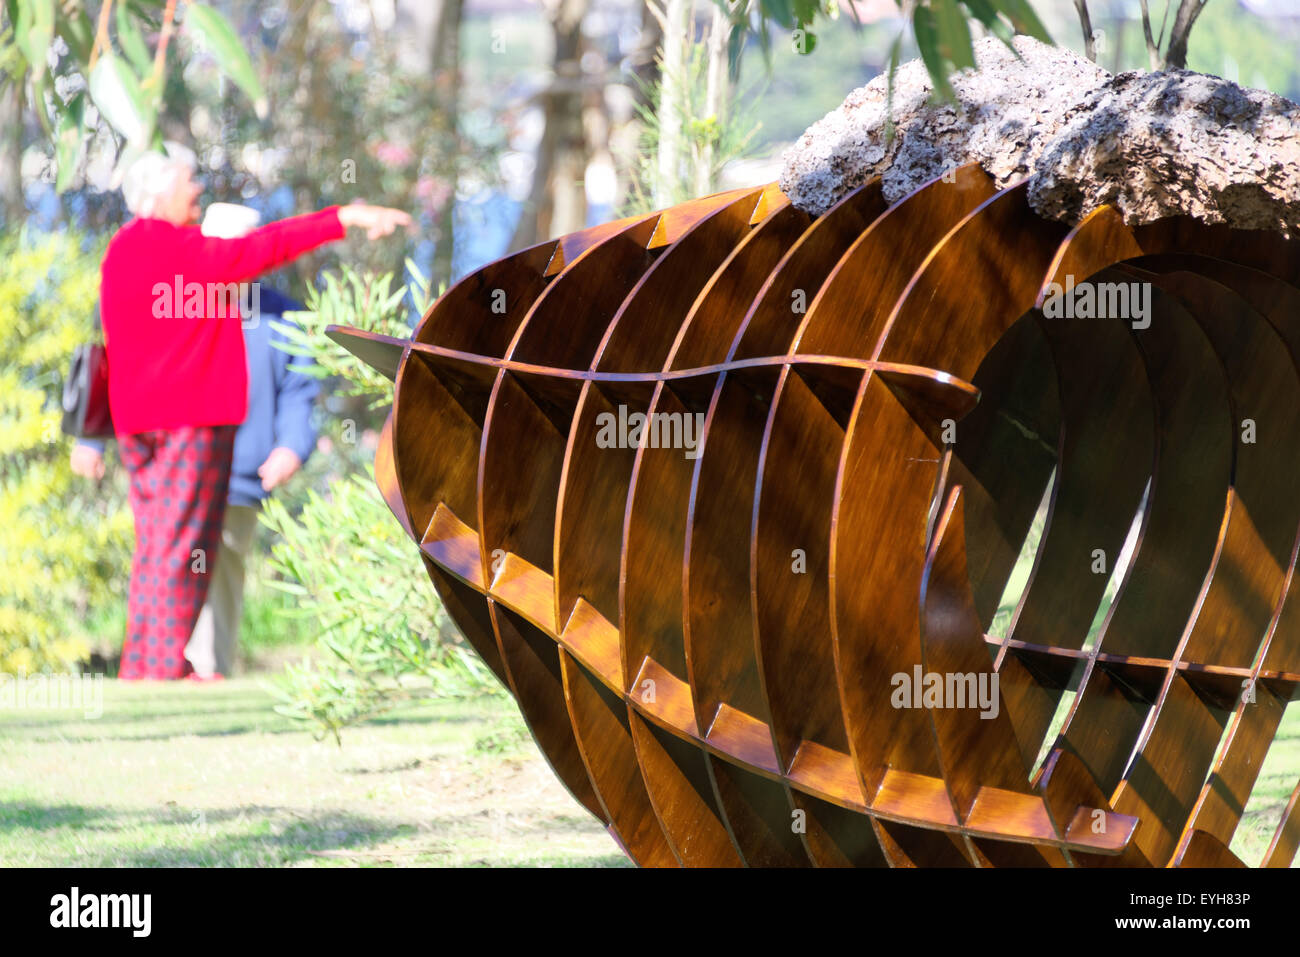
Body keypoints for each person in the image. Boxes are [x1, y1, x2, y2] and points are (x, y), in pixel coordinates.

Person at [87, 145, 409, 681]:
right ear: (158, 192)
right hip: (189, 422)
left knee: (157, 544)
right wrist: (343, 218)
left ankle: (148, 663)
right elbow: (265, 247)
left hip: (137, 425)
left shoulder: (121, 250)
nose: (196, 191)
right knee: (184, 541)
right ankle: (162, 667)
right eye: (188, 182)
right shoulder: (185, 251)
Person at [73, 206, 321, 680]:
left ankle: (209, 670)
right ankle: (170, 668)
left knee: (220, 567)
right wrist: (92, 440)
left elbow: (300, 387)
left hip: (245, 470)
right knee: (171, 556)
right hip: (177, 460)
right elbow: (122, 368)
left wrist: (292, 445)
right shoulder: (177, 301)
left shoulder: (280, 314)